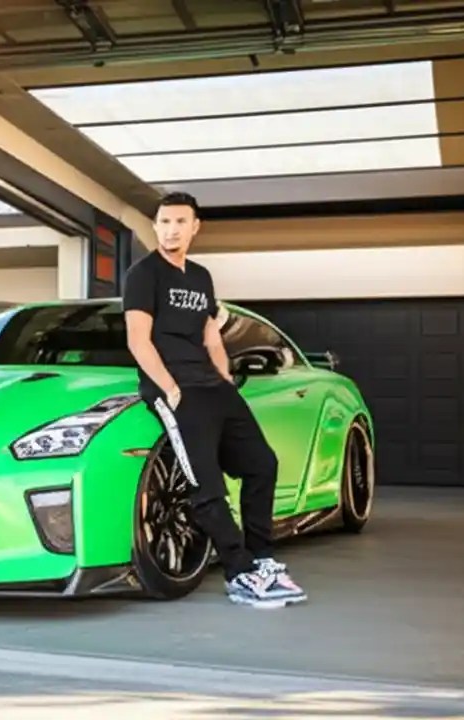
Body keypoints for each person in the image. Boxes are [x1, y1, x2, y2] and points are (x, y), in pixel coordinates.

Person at [122, 191, 307, 608]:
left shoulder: (200, 277)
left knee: (262, 464)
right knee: (206, 485)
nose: (171, 230)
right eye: (164, 222)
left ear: (195, 227)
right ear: (155, 226)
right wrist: (170, 389)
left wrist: (223, 378)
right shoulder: (143, 275)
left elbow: (211, 337)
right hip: (177, 390)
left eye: (179, 222)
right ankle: (240, 573)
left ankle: (262, 560)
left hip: (214, 387)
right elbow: (138, 339)